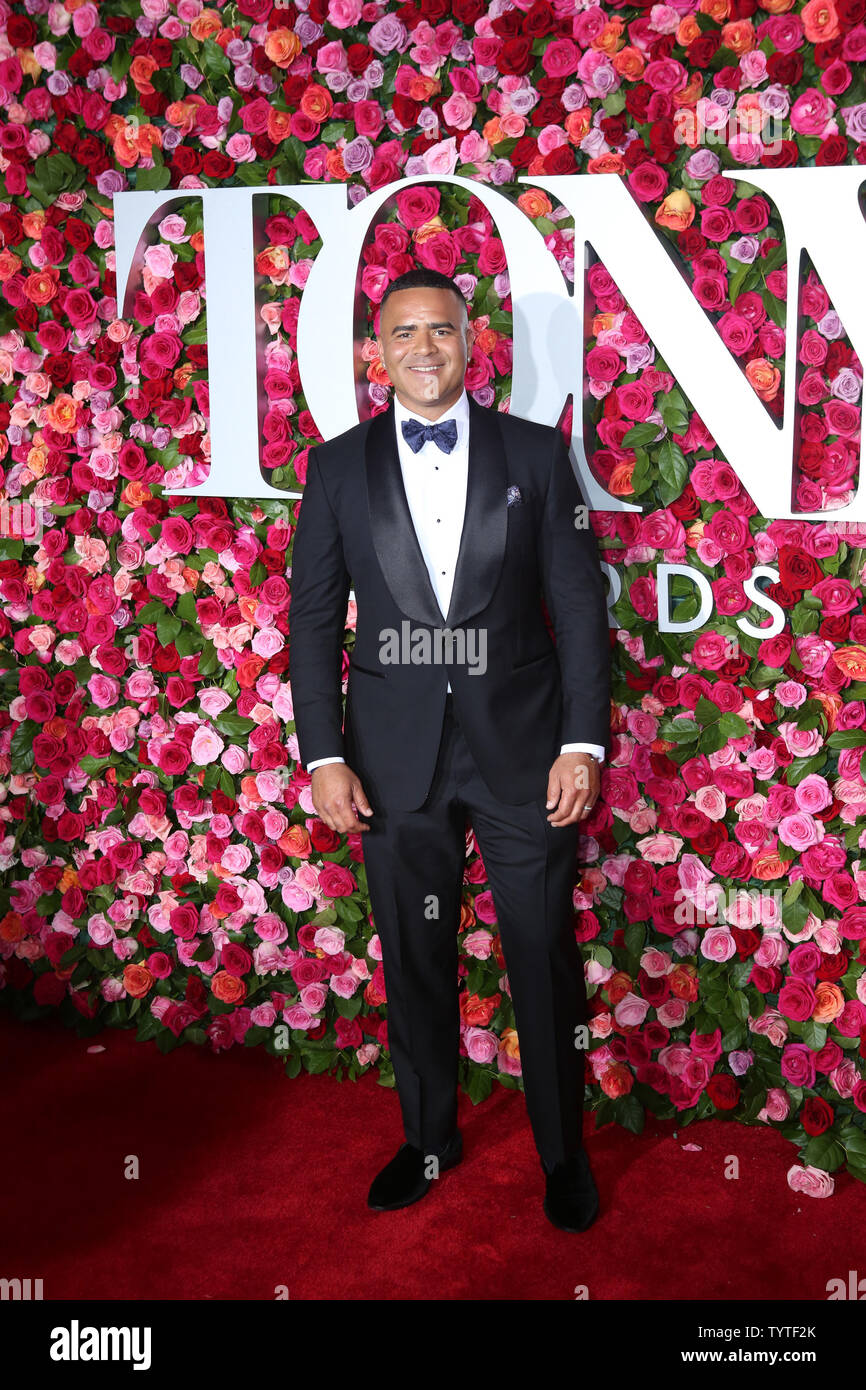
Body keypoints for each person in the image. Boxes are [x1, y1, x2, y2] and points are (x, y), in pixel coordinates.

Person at [288, 266, 611, 1232]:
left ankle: (562, 1155)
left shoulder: (536, 455)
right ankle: (428, 1139)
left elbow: (579, 611)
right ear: (375, 354)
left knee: (540, 953)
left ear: (472, 343)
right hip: (391, 760)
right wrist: (324, 755)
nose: (423, 349)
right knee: (413, 955)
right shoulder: (335, 468)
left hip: (525, 753)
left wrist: (582, 742)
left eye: (441, 330)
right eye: (403, 333)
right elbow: (313, 622)